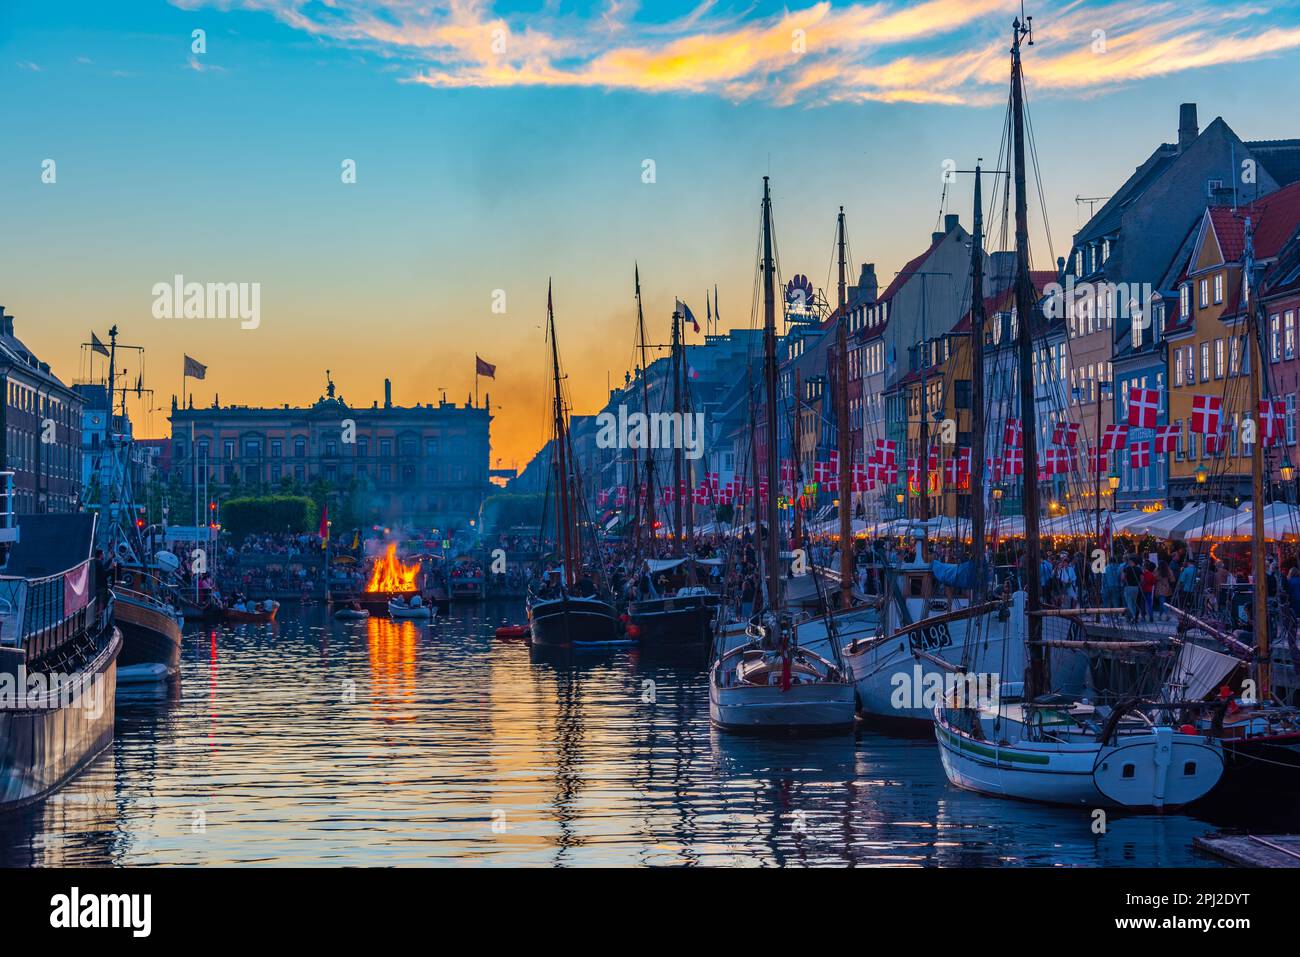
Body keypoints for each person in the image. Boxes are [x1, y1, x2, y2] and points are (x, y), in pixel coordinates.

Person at [1122, 555, 1142, 623]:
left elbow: (1122, 577)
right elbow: (1142, 578)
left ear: (1131, 561)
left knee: (1129, 603)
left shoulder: (1127, 569)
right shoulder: (1139, 569)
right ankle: (1133, 617)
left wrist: (1125, 581)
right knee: (1134, 603)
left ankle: (1132, 617)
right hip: (1136, 587)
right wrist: (1139, 583)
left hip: (1128, 587)